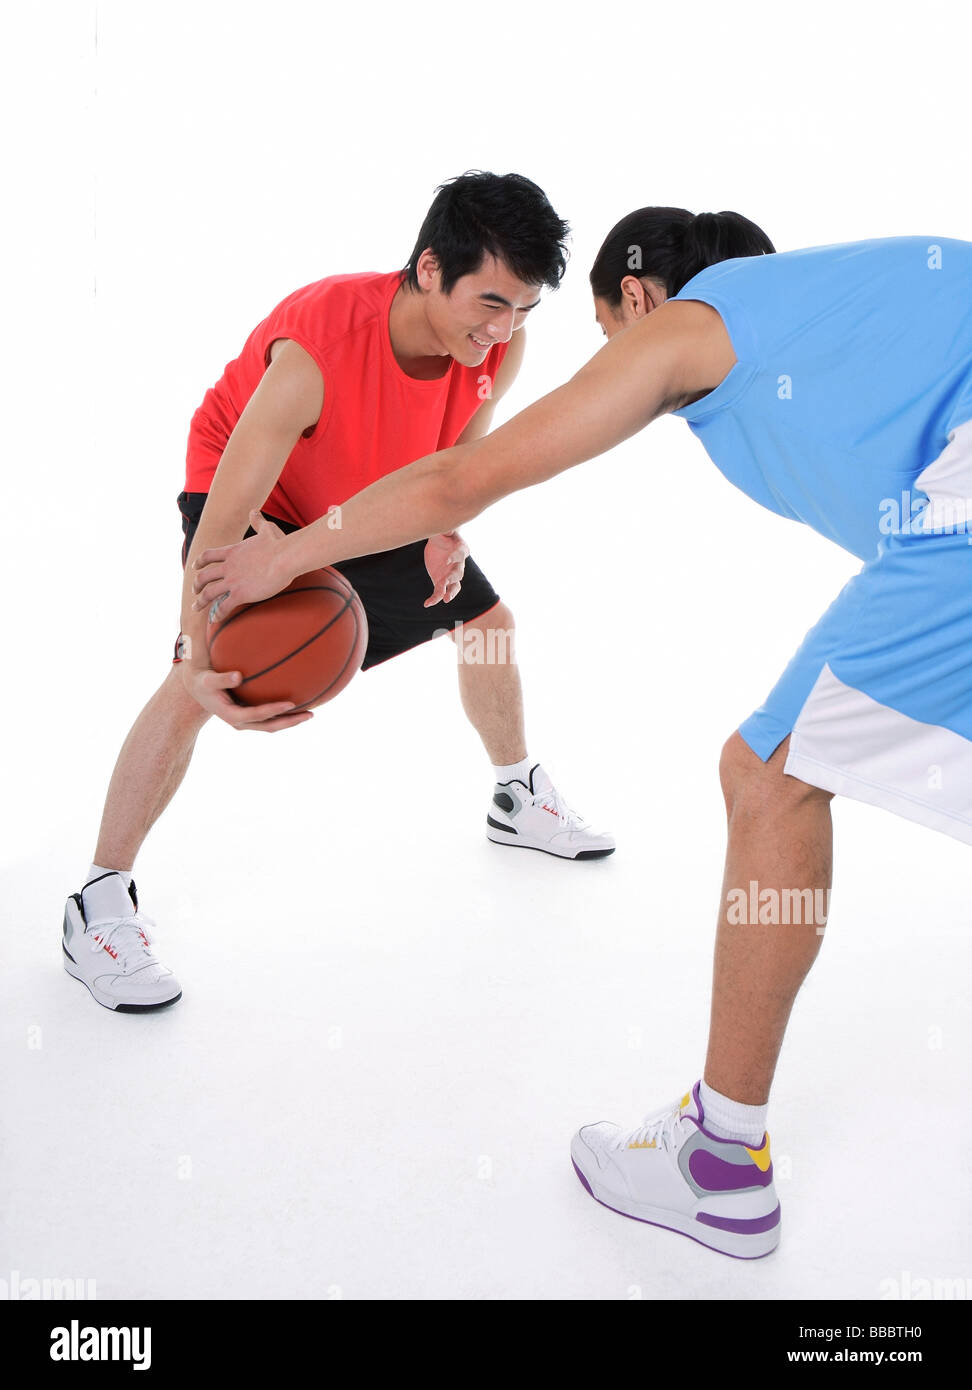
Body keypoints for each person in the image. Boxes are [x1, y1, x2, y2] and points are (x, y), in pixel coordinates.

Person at [191, 209, 972, 1257]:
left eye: (607, 332)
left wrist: (281, 563)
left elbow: (465, 475)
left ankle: (720, 1162)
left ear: (639, 300)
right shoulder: (838, 316)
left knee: (770, 774)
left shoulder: (696, 323)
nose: (616, 363)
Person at [63, 171, 618, 1016]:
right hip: (255, 505)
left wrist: (440, 527)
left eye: (525, 311)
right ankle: (98, 903)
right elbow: (224, 514)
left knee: (488, 624)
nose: (504, 329)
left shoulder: (497, 344)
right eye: (492, 302)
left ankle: (515, 795)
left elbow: (465, 445)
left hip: (365, 498)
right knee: (195, 686)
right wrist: (198, 640)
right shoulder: (316, 352)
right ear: (431, 268)